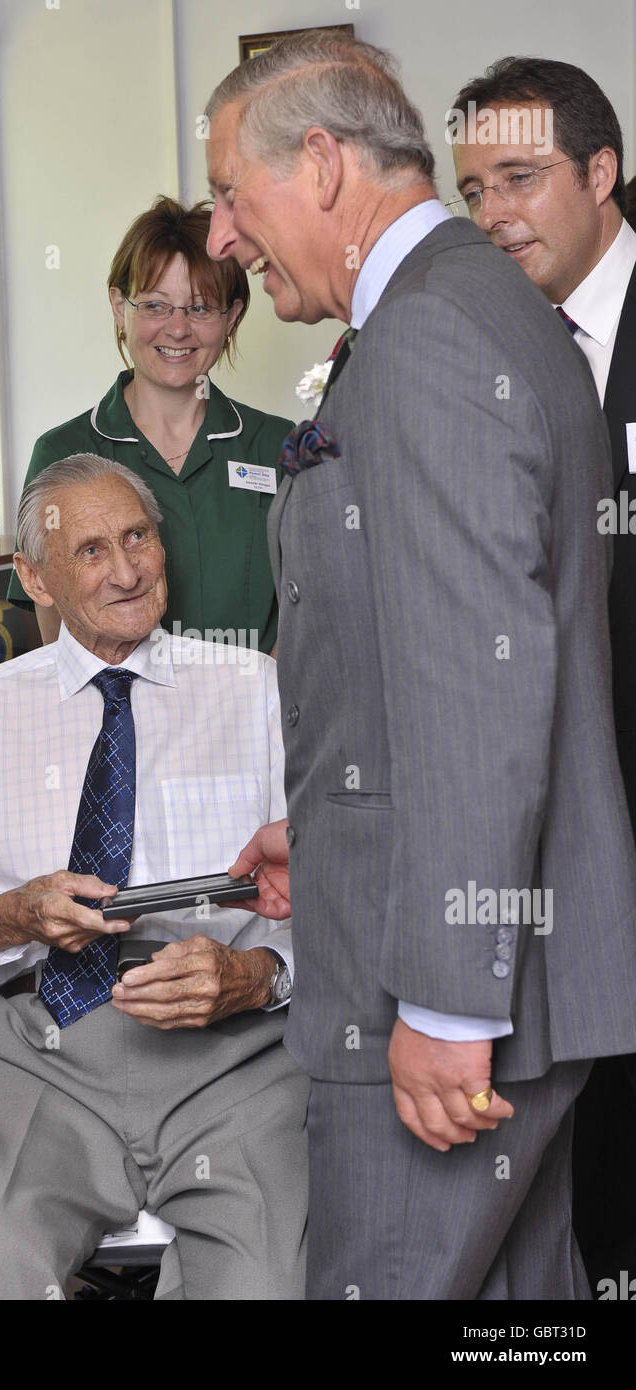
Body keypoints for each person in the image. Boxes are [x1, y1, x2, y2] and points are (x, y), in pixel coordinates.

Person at [206, 29, 636, 1300]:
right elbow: (429, 658)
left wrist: (450, 1005)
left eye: (236, 193)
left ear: (324, 164)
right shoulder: (468, 303)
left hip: (453, 983)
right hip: (483, 946)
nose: (223, 235)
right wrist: (332, 826)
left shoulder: (432, 336)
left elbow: (483, 685)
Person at [0, 453, 307, 1301]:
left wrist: (258, 974)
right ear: (36, 578)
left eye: (138, 537)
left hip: (232, 1061)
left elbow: (344, 906)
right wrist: (8, 919)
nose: (128, 570)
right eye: (92, 550)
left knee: (265, 1280)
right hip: (38, 1062)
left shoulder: (256, 693)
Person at [449, 55, 636, 1293]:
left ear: (602, 173)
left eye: (520, 177)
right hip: (556, 834)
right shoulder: (474, 341)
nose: (494, 213)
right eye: (471, 188)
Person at [6, 196, 294, 654]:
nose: (178, 330)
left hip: (250, 715)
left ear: (232, 317)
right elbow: (56, 637)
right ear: (121, 308)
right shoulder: (62, 453)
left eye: (200, 309)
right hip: (119, 719)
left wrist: (257, 705)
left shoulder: (279, 446)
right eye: (156, 306)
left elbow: (311, 610)